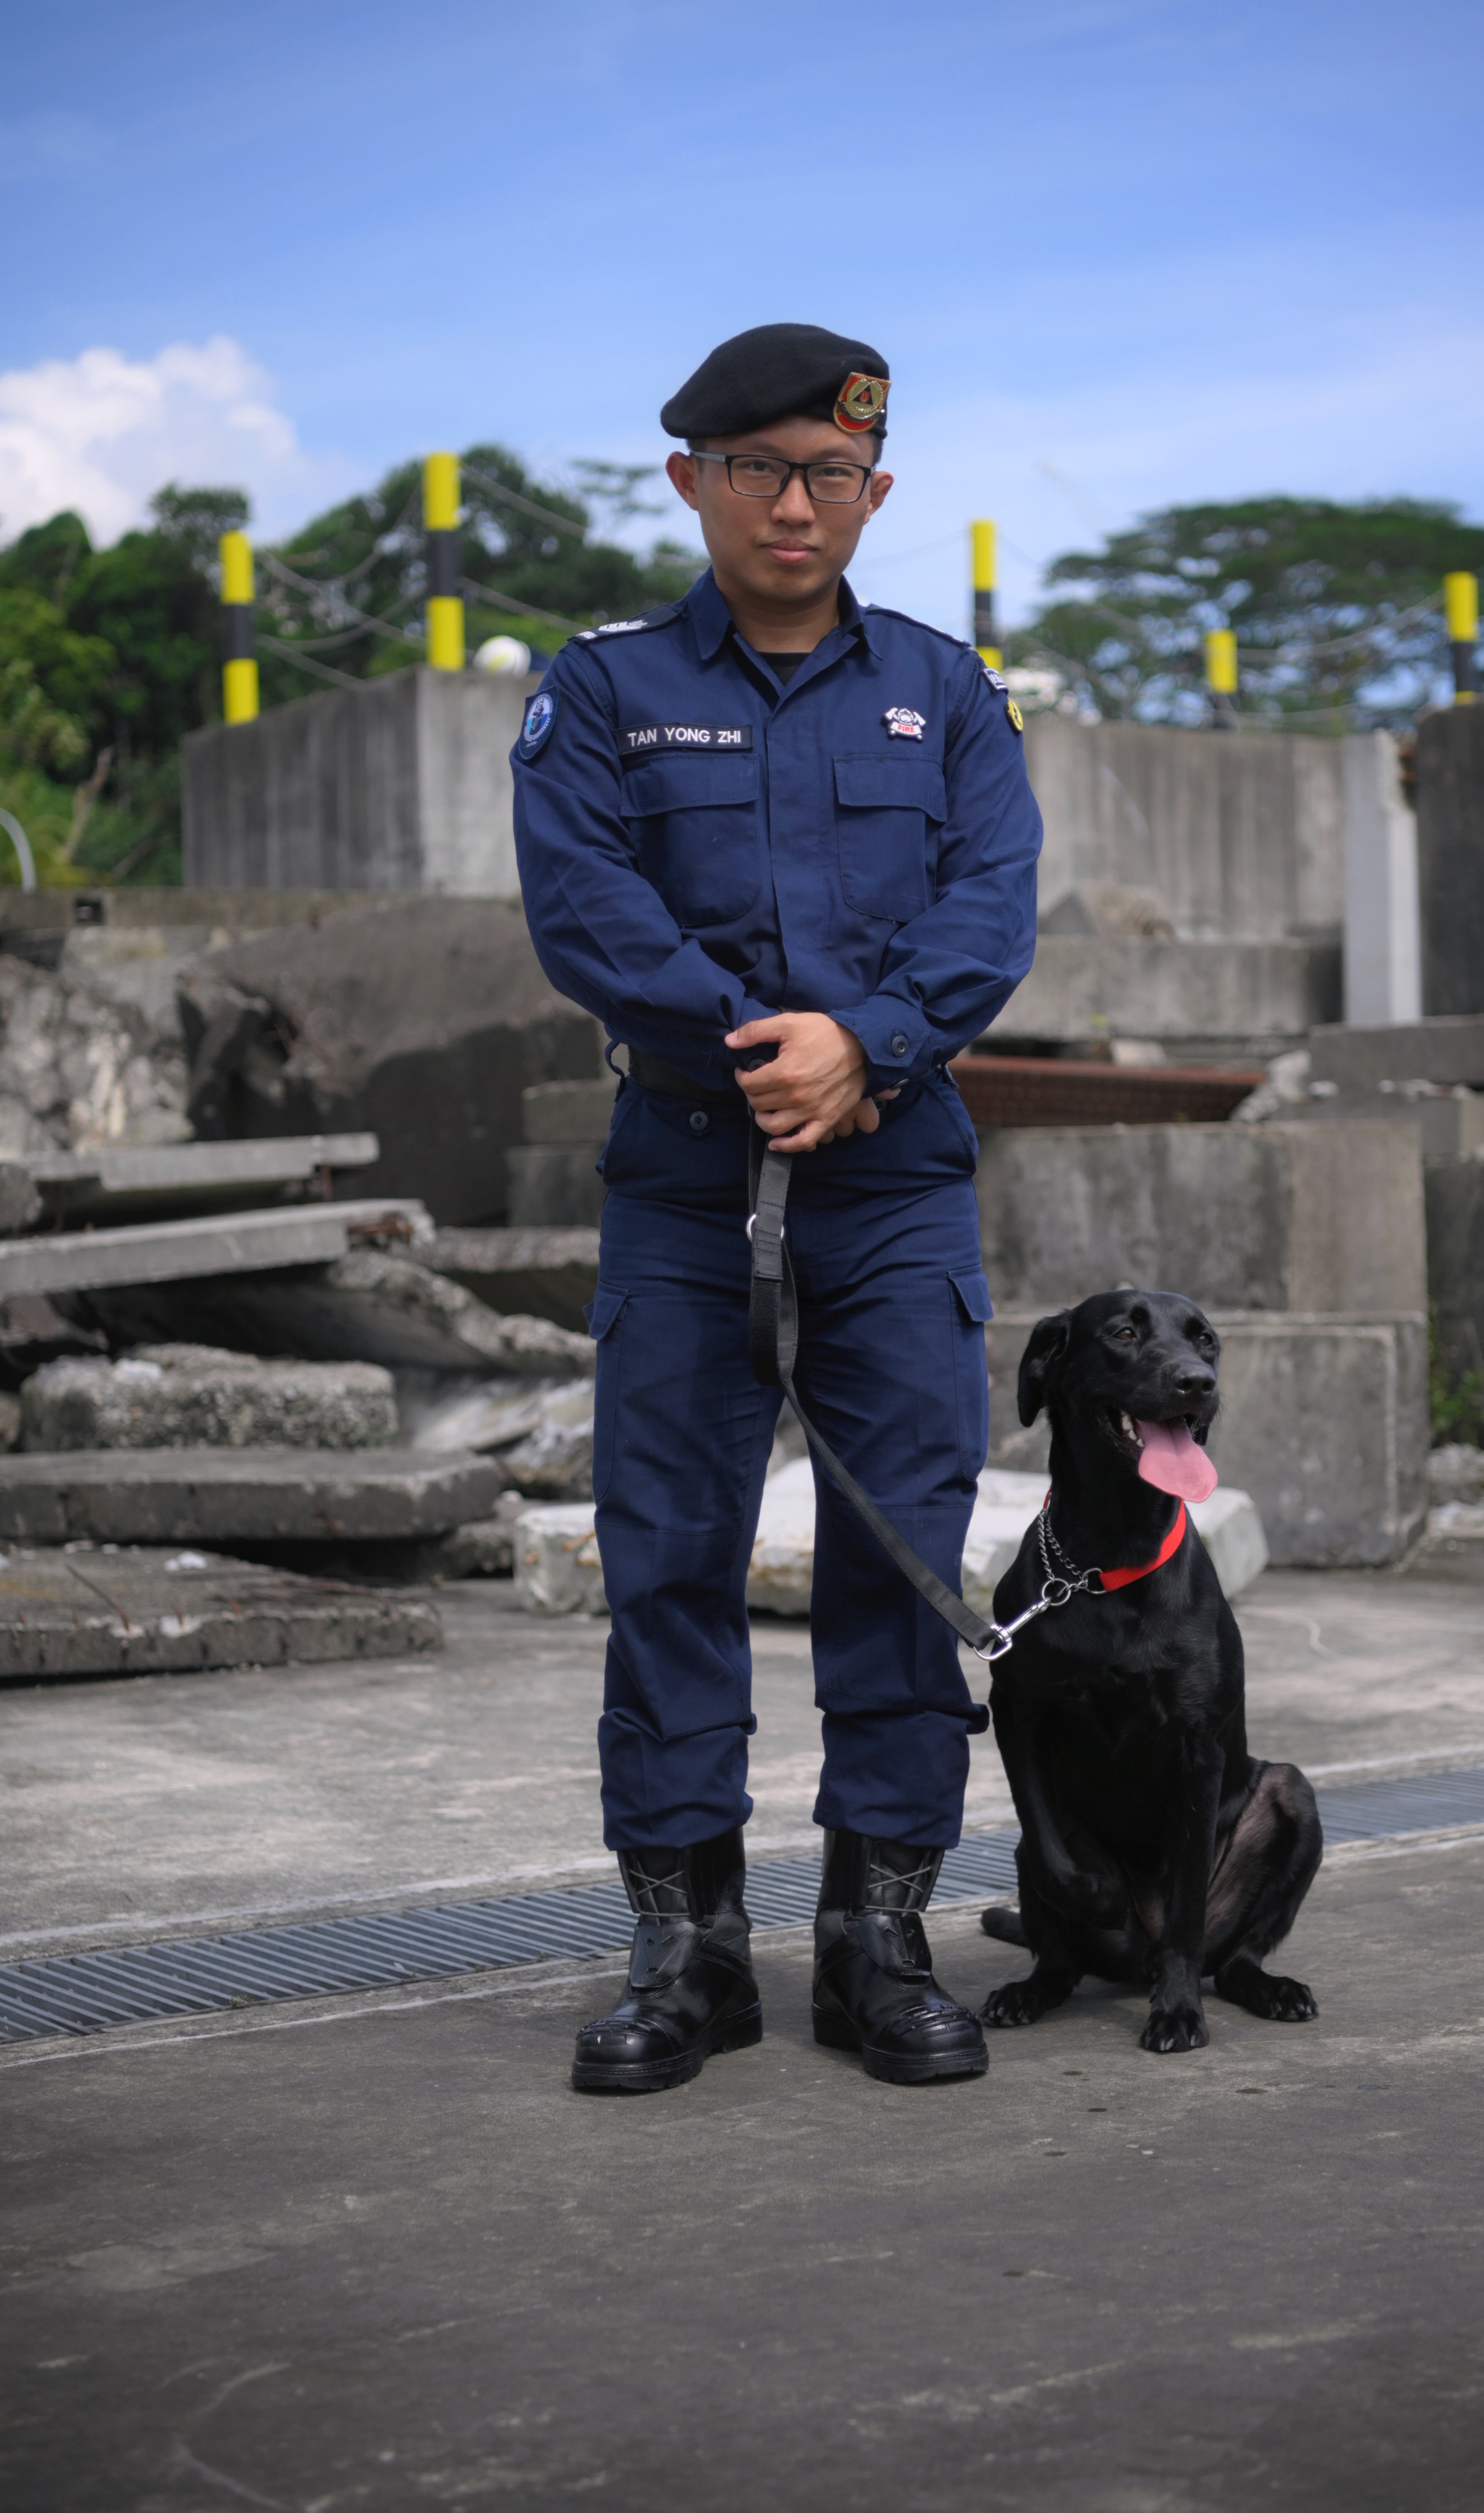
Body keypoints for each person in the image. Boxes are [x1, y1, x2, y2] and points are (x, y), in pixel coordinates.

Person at [511, 322, 1041, 2094]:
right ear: (692, 482)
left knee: (898, 1561)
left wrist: (869, 1046)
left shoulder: (947, 691)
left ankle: (876, 1941)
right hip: (684, 1175)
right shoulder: (598, 688)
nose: (795, 504)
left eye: (830, 474)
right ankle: (689, 1949)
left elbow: (990, 906)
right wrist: (768, 1051)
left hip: (892, 1178)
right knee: (667, 1554)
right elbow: (586, 908)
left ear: (874, 492)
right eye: (759, 470)